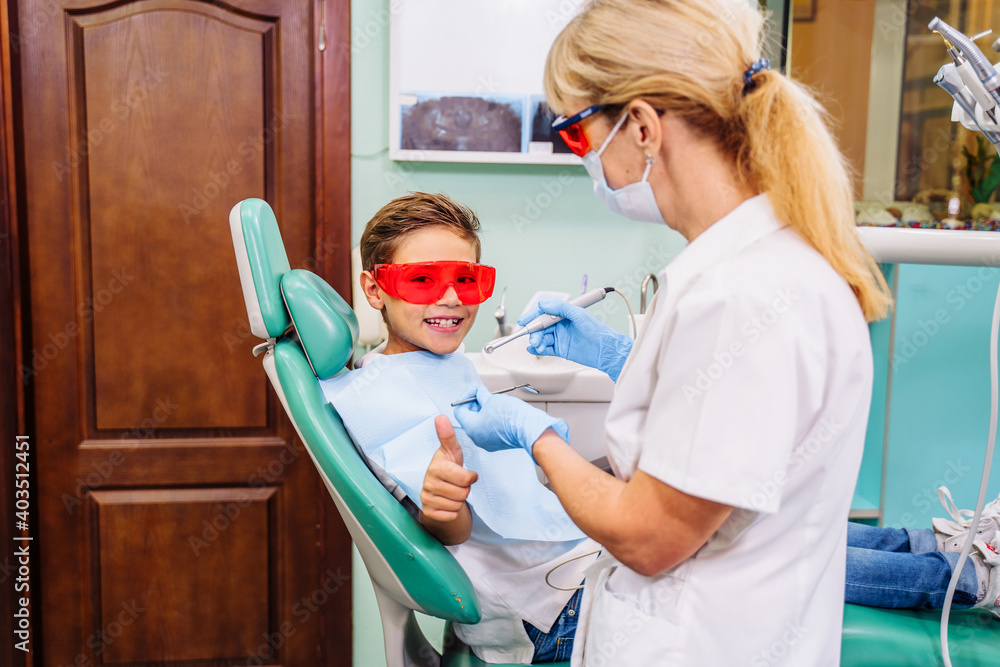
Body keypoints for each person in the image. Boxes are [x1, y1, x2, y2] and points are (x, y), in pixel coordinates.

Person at [447, 1, 998, 664]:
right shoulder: (755, 269)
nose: (583, 160)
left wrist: (533, 437)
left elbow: (650, 535)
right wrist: (626, 359)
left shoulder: (743, 293)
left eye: (576, 136)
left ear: (643, 125)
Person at [320, 192, 597, 664]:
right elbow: (451, 527)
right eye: (423, 279)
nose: (450, 297)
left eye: (466, 279)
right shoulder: (379, 397)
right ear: (374, 290)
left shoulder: (444, 364)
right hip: (550, 606)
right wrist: (441, 505)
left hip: (573, 572)